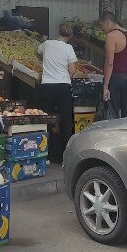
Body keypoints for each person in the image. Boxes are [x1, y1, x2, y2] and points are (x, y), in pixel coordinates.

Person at [36, 23, 79, 164]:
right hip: (63, 87)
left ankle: (45, 155)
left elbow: (36, 52)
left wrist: (45, 62)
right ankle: (65, 157)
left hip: (47, 86)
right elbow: (72, 70)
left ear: (58, 32)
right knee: (66, 121)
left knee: (45, 120)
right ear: (70, 36)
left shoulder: (47, 44)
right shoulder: (69, 48)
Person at [100, 11, 127, 118]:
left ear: (107, 22)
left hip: (116, 77)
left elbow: (109, 62)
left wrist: (105, 86)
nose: (103, 29)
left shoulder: (111, 36)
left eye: (102, 25)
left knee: (113, 113)